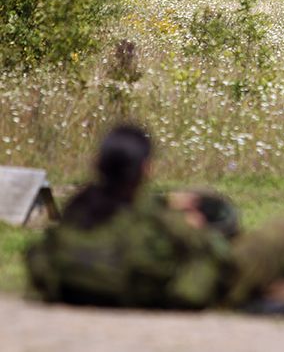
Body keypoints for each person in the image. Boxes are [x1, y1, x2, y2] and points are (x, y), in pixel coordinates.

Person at [25, 125, 233, 309]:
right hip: (130, 291)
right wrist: (194, 227)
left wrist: (165, 201)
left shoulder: (79, 204)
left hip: (70, 287)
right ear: (146, 168)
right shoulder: (155, 216)